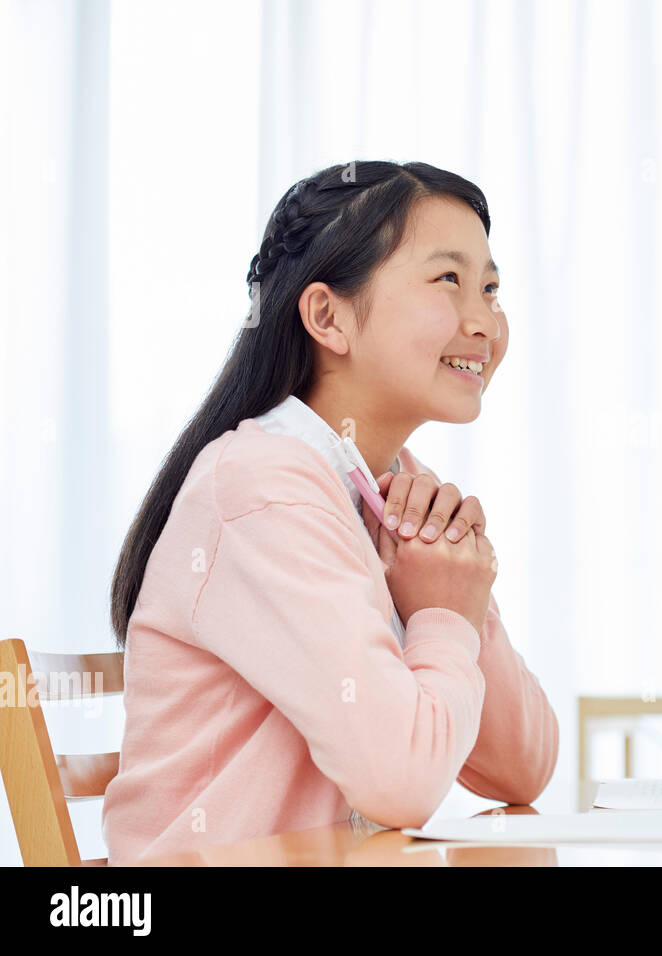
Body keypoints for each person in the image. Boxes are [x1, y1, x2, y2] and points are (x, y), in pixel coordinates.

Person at [102, 160, 558, 863]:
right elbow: (400, 783)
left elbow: (521, 768)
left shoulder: (393, 487)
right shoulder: (265, 484)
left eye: (492, 289)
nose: (484, 322)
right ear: (328, 316)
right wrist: (440, 613)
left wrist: (457, 594)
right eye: (448, 280)